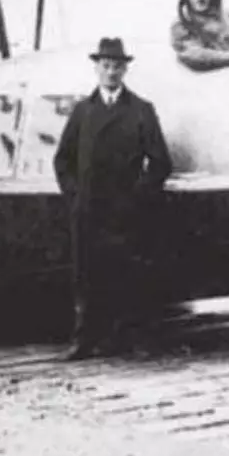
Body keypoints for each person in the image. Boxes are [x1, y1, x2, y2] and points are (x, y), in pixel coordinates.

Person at [53, 38, 172, 360]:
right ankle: (84, 340)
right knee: (87, 276)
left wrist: (137, 198)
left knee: (127, 274)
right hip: (89, 209)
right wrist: (75, 195)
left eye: (116, 66)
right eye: (105, 66)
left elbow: (161, 162)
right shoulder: (83, 110)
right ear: (97, 69)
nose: (111, 72)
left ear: (125, 70)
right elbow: (62, 159)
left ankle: (125, 340)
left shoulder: (141, 110)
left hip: (125, 211)